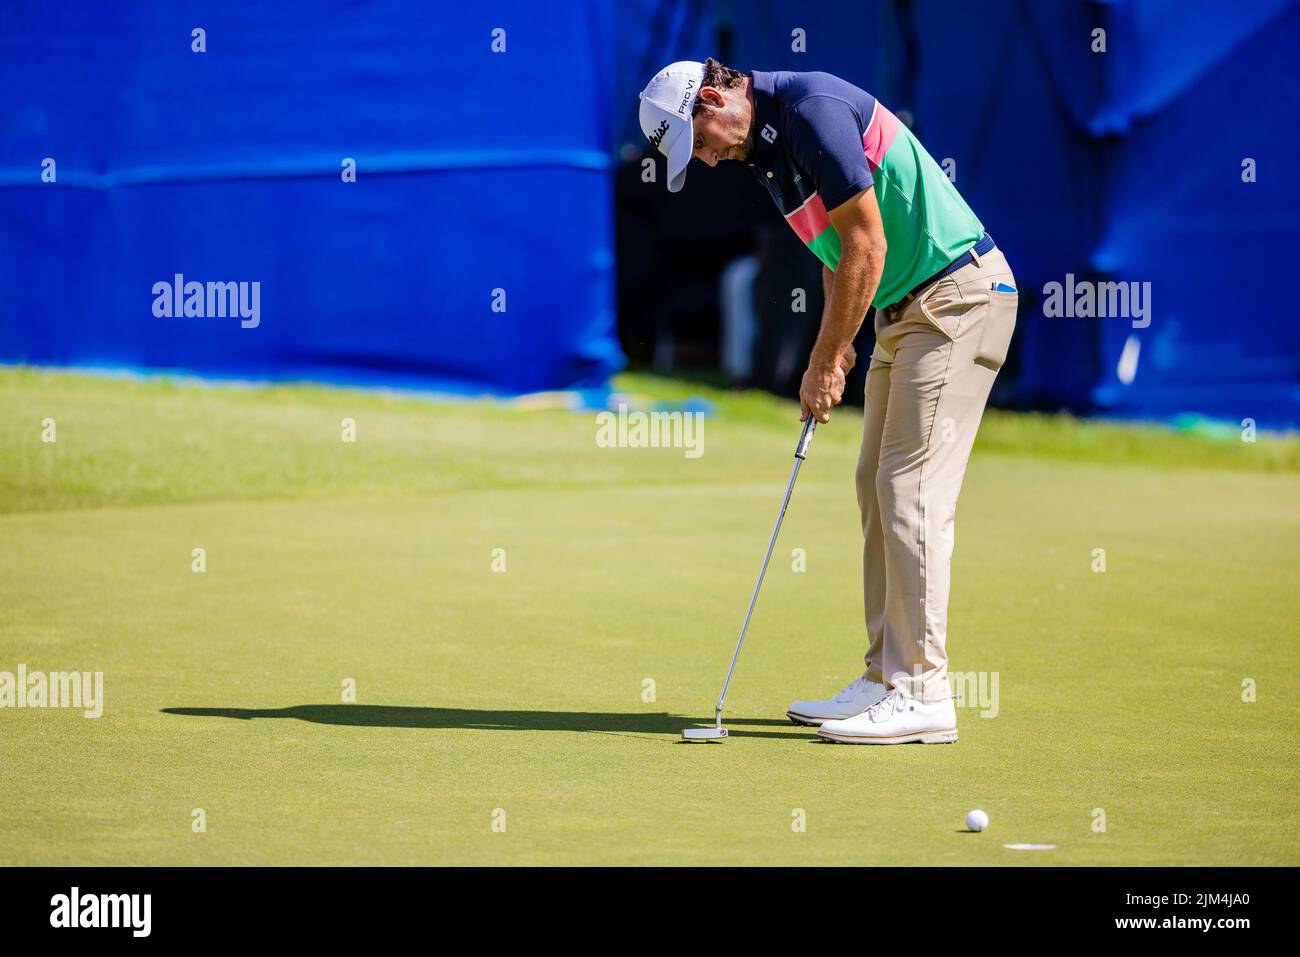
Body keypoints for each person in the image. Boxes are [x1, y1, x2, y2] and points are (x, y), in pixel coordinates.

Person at [638, 59, 1018, 744]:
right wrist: (837, 346)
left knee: (911, 490)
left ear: (716, 98)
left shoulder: (810, 110)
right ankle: (885, 676)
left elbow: (868, 242)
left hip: (958, 298)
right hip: (904, 311)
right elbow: (835, 249)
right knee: (876, 485)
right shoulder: (767, 154)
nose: (710, 159)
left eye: (699, 142)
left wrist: (819, 359)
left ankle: (924, 689)